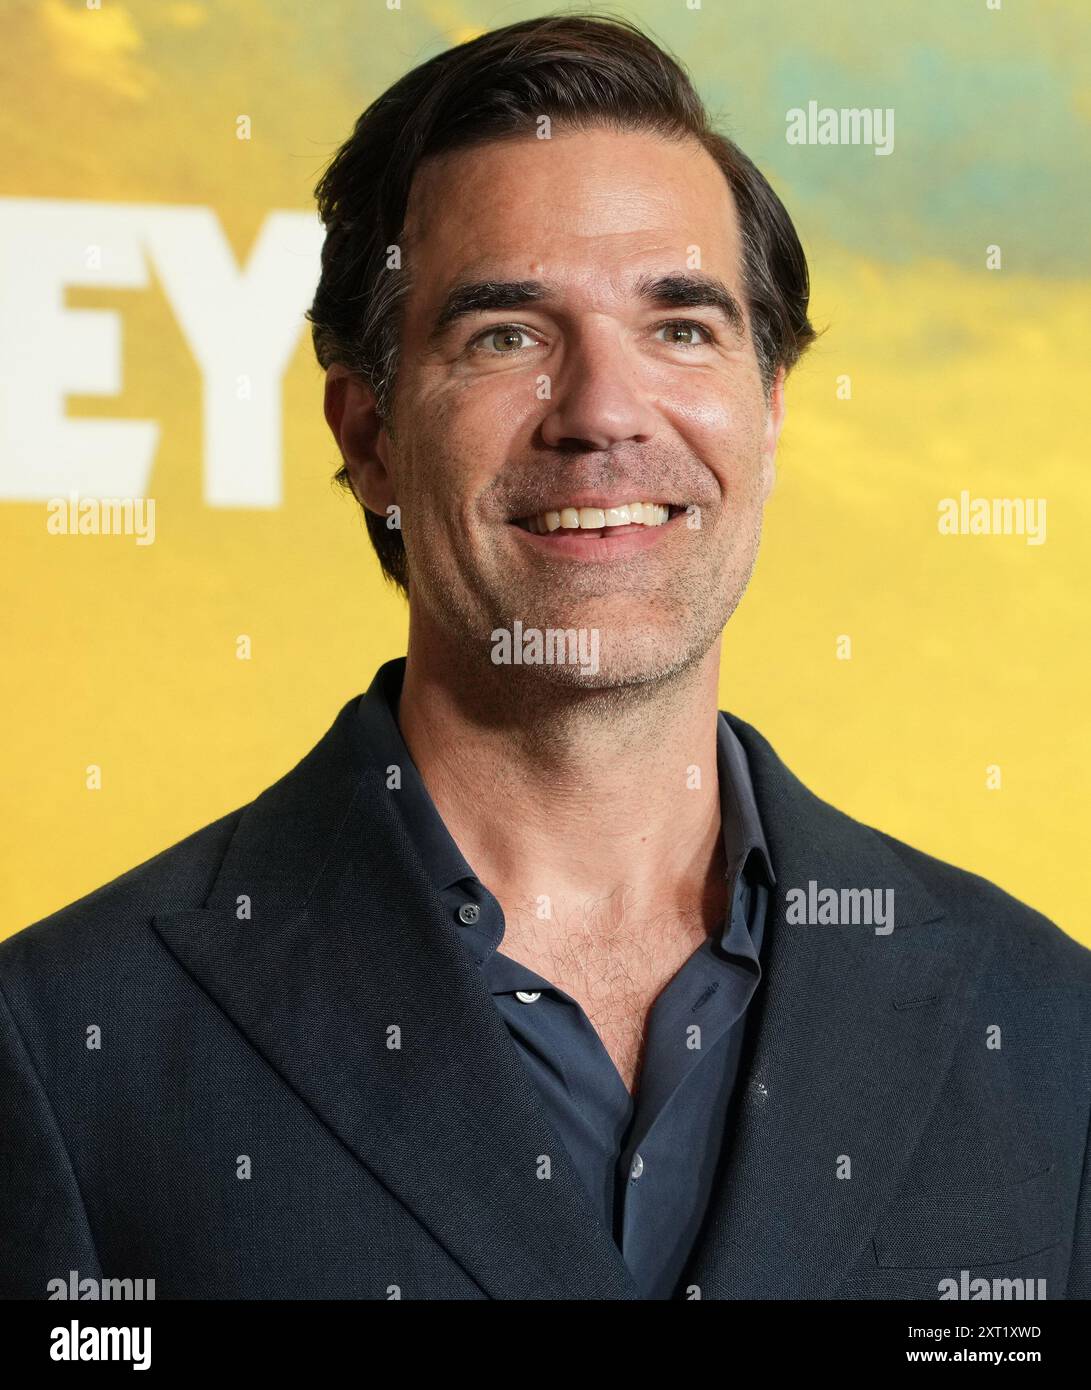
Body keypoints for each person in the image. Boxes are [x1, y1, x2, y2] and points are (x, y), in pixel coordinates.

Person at [2, 14, 1087, 1301]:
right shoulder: (68, 1047)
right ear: (370, 436)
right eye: (505, 334)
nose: (602, 413)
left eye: (681, 326)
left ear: (770, 410)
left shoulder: (1043, 1022)